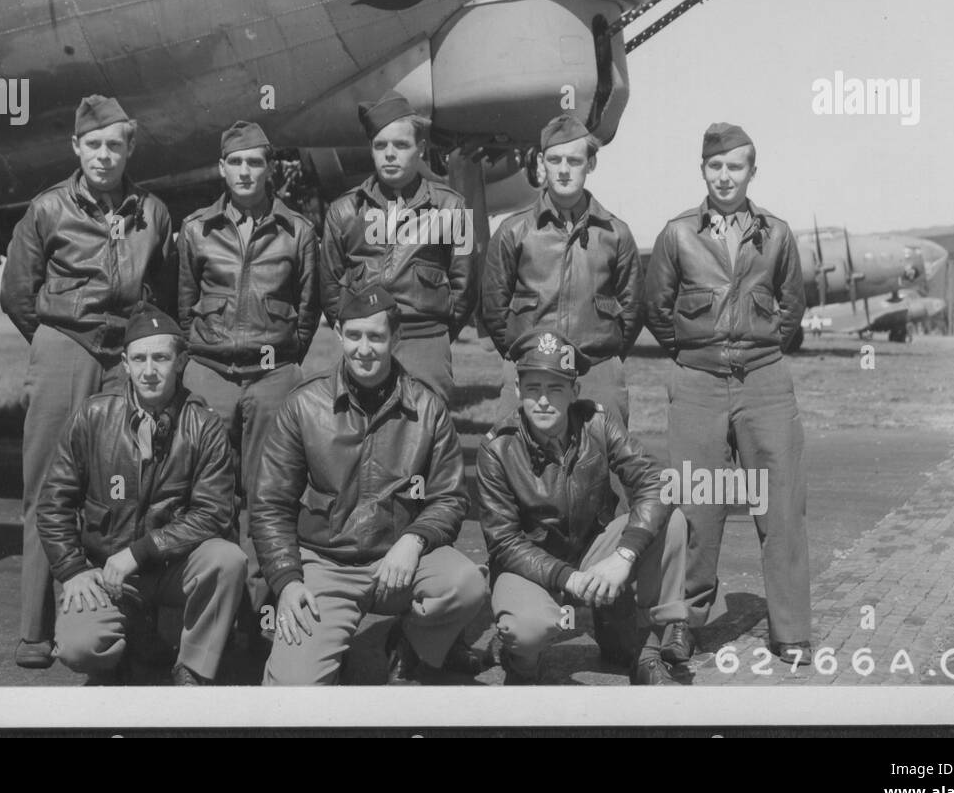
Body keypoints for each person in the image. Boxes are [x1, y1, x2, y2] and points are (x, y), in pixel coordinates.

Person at [0, 95, 174, 669]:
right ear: (76, 148)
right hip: (64, 347)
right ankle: (34, 629)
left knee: (125, 486)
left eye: (115, 145)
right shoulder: (47, 208)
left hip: (125, 356)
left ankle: (118, 616)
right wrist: (54, 343)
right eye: (93, 145)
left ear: (130, 149)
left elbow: (165, 293)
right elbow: (17, 293)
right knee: (47, 487)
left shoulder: (154, 211)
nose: (104, 155)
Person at [251, 284, 487, 685]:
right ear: (339, 334)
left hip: (396, 562)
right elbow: (270, 505)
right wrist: (287, 581)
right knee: (293, 695)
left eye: (376, 336)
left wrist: (413, 541)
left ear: (395, 338)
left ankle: (411, 642)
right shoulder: (302, 406)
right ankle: (327, 649)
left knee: (465, 585)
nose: (364, 348)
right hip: (325, 565)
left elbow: (449, 497)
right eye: (355, 335)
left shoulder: (427, 408)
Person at [644, 123, 811, 664]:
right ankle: (682, 624)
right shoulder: (676, 234)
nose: (724, 176)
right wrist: (699, 354)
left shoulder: (778, 234)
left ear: (751, 172)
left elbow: (790, 309)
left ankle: (790, 630)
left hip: (765, 381)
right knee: (696, 506)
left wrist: (756, 352)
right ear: (702, 171)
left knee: (781, 505)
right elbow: (658, 310)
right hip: (697, 381)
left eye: (735, 166)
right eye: (714, 166)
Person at [36, 302, 246, 686]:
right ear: (126, 364)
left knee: (227, 559)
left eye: (161, 358)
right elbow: (53, 502)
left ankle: (193, 670)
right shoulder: (92, 417)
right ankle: (115, 657)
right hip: (105, 573)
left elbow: (214, 513)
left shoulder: (206, 425)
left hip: (170, 570)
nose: (150, 370)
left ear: (180, 362)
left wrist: (140, 551)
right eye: (140, 359)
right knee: (79, 646)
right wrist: (72, 570)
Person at [478, 329, 689, 685]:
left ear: (575, 392)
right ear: (517, 391)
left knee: (674, 521)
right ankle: (521, 664)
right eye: (532, 389)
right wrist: (568, 578)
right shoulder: (497, 449)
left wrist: (624, 556)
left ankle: (649, 655)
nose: (543, 401)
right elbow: (504, 542)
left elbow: (656, 483)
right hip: (530, 565)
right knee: (528, 630)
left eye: (555, 388)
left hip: (592, 555)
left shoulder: (598, 423)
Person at [176, 120, 320, 632]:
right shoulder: (196, 229)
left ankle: (260, 613)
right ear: (222, 168)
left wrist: (278, 360)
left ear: (270, 168)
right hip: (209, 372)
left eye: (254, 162)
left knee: (266, 493)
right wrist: (203, 357)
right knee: (206, 491)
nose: (244, 171)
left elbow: (307, 312)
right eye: (235, 162)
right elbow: (184, 303)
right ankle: (209, 610)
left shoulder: (298, 231)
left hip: (271, 374)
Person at [481, 114, 643, 426]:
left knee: (602, 467)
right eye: (555, 160)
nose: (564, 170)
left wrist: (604, 356)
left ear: (591, 164)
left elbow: (633, 309)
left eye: (574, 160)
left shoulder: (616, 233)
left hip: (596, 370)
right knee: (521, 468)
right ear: (542, 163)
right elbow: (494, 308)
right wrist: (526, 353)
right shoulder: (513, 231)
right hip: (530, 370)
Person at [319, 91, 476, 404]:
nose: (389, 154)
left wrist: (437, 335)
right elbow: (330, 288)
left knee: (426, 434)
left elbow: (466, 287)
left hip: (425, 342)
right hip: (365, 345)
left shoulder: (453, 209)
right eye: (380, 145)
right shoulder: (343, 211)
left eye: (401, 145)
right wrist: (360, 332)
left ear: (420, 149)